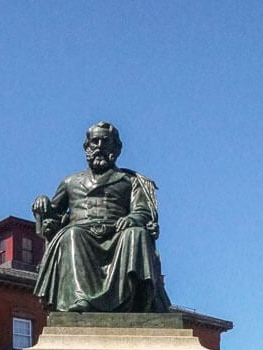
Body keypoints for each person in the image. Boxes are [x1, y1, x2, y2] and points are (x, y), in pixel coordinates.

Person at [32, 122, 171, 313]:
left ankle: (132, 301)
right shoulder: (70, 182)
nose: (99, 146)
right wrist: (42, 204)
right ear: (86, 147)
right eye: (94, 141)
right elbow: (53, 216)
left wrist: (133, 219)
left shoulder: (130, 181)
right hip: (82, 234)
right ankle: (81, 299)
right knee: (72, 235)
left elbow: (142, 210)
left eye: (105, 141)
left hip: (118, 235)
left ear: (116, 147)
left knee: (136, 234)